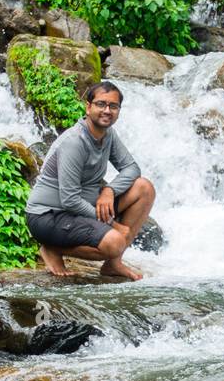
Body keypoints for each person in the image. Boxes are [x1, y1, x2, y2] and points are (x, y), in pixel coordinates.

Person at [24, 81, 156, 279]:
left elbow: (132, 168)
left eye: (113, 106)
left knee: (144, 188)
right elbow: (69, 200)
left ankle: (112, 265)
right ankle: (52, 249)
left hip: (85, 207)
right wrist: (112, 223)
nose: (107, 110)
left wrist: (109, 190)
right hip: (49, 215)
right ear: (88, 107)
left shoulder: (108, 134)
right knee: (116, 241)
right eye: (101, 104)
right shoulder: (74, 142)